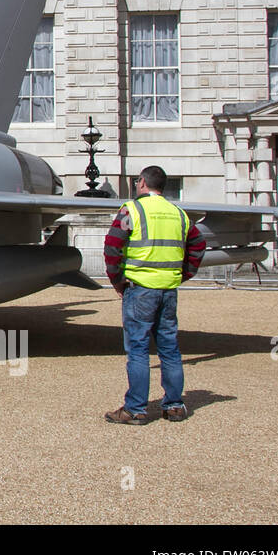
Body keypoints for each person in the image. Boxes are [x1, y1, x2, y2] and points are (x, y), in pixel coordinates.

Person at [103, 165, 205, 425]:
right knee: (169, 348)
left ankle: (135, 409)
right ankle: (174, 406)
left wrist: (116, 280)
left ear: (142, 183)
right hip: (168, 289)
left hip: (139, 289)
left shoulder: (132, 210)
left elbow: (113, 245)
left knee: (137, 349)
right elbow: (198, 243)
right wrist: (184, 274)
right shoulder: (179, 214)